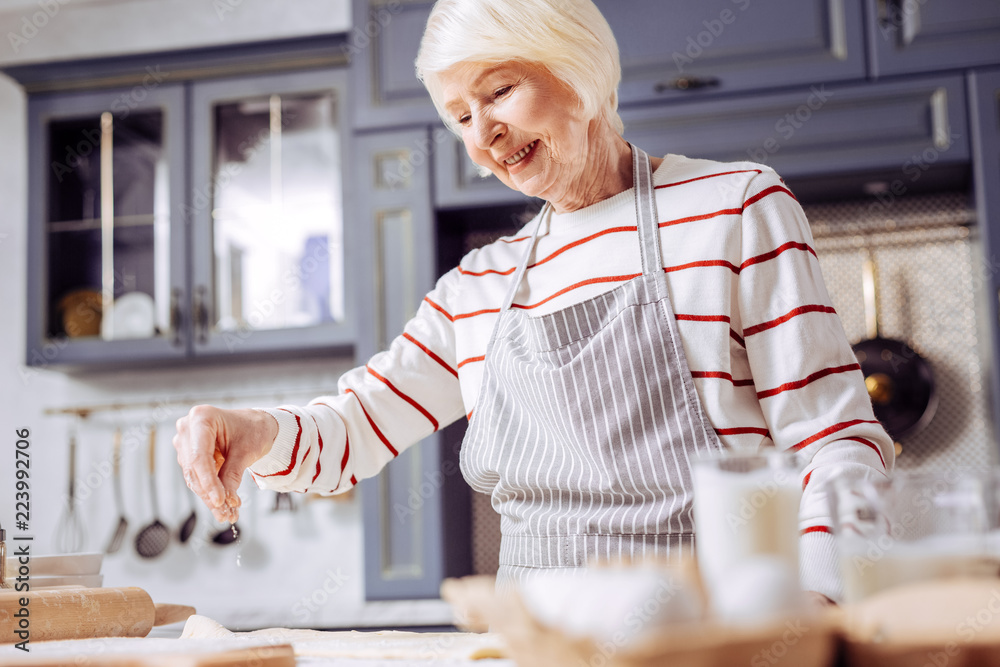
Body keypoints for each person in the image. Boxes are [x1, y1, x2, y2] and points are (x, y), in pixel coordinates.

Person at [173, 0, 893, 604]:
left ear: (577, 71)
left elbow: (832, 441)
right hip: (537, 640)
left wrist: (817, 604)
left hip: (712, 635)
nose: (482, 134)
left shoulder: (735, 207)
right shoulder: (480, 284)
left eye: (498, 91)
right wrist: (258, 431)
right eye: (458, 116)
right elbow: (357, 427)